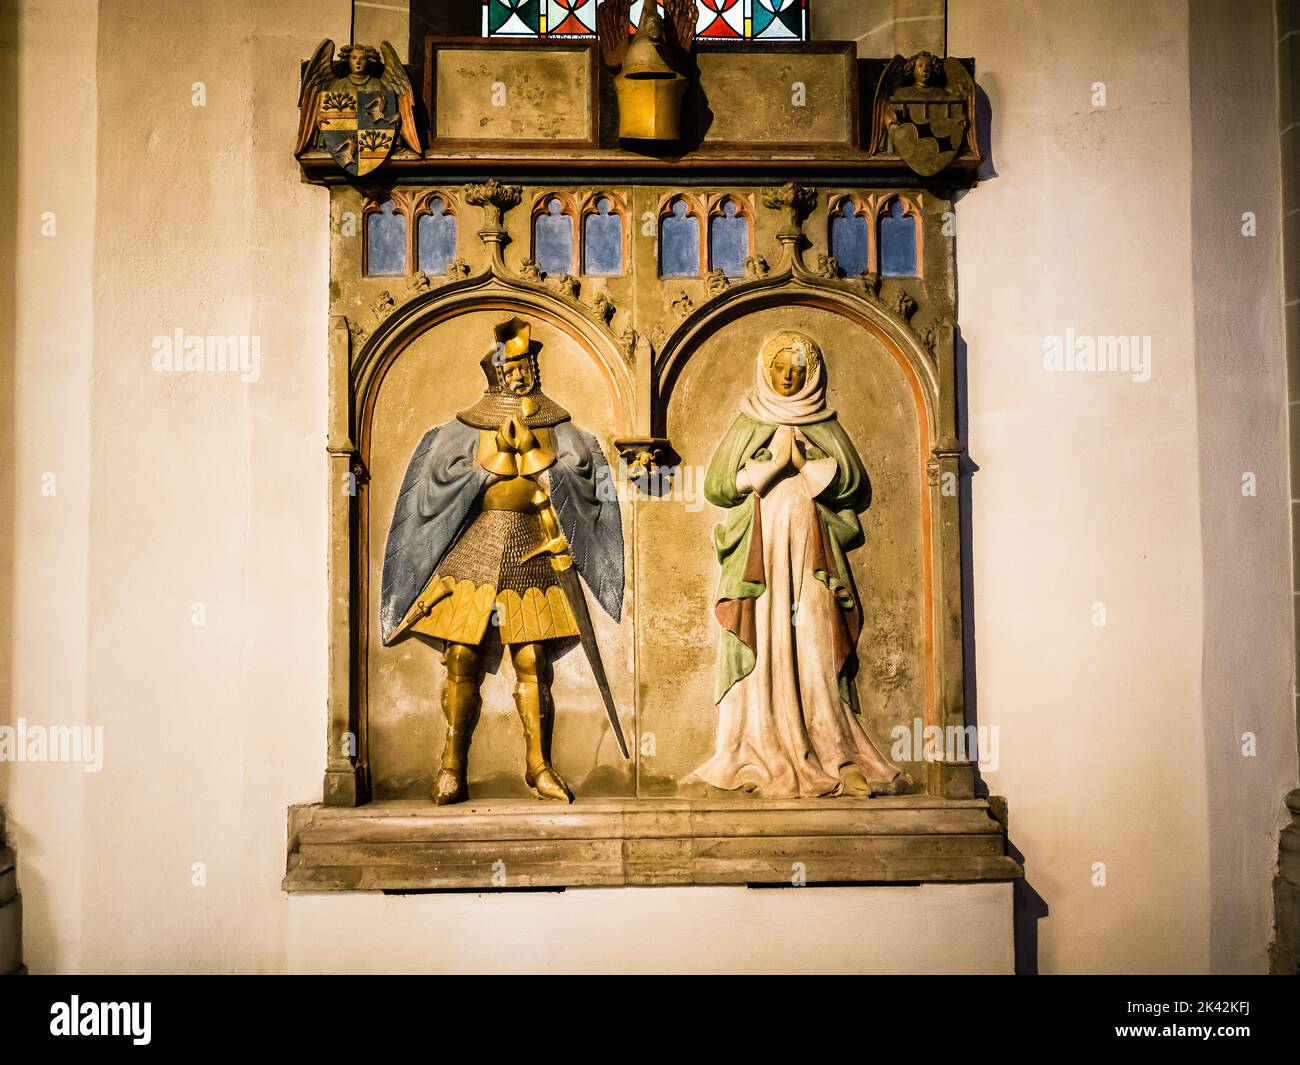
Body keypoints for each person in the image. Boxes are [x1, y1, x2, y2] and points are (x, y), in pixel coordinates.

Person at [380, 317, 623, 805]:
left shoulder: (562, 430)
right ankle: (452, 764)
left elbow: (583, 485)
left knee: (532, 659)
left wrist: (542, 465)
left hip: (533, 548)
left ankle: (539, 766)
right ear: (494, 369)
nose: (521, 371)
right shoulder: (459, 430)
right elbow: (436, 494)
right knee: (462, 656)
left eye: (527, 362)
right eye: (511, 363)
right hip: (476, 544)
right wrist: (485, 467)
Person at [690, 331, 908, 798]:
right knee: (766, 635)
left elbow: (852, 481)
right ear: (767, 369)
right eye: (781, 368)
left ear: (810, 375)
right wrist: (773, 464)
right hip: (762, 550)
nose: (788, 378)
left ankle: (833, 747)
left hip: (811, 549)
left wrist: (809, 463)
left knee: (813, 638)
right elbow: (719, 485)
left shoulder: (821, 420)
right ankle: (759, 741)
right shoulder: (751, 418)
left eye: (796, 370)